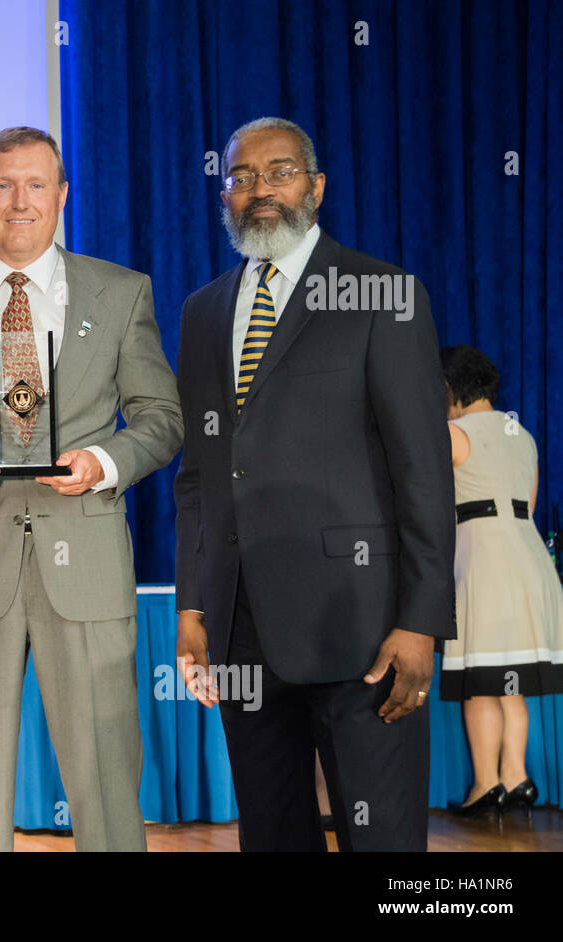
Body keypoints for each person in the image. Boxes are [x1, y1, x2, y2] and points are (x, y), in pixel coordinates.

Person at [0, 126, 184, 851]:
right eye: (3, 185)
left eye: (35, 185)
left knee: (107, 785)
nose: (18, 201)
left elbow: (161, 418)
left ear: (61, 195)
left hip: (84, 562)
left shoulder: (122, 293)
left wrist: (106, 462)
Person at [173, 116, 456, 852]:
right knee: (271, 836)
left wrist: (421, 621)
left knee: (383, 843)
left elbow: (422, 469)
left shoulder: (381, 293)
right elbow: (199, 476)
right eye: (240, 176)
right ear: (223, 194)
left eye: (280, 171)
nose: (259, 189)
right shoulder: (202, 313)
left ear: (317, 187)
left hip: (363, 631)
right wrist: (193, 607)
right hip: (241, 633)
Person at [439, 345, 563, 815]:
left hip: (483, 559)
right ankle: (517, 776)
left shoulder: (451, 432)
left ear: (448, 388)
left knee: (480, 678)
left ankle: (486, 784)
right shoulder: (523, 435)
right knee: (511, 680)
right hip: (529, 558)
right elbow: (528, 506)